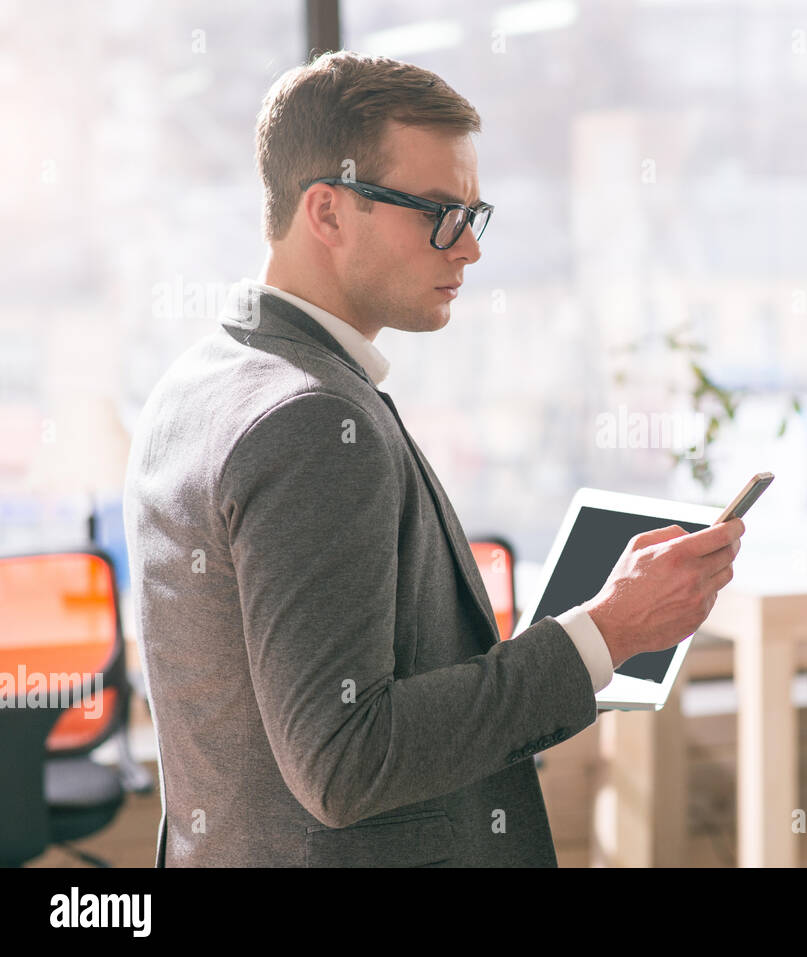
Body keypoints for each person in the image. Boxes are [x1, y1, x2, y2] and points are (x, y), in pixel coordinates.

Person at [121, 50, 744, 867]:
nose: (469, 250)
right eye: (439, 212)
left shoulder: (200, 379)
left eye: (473, 214)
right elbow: (345, 759)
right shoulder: (310, 419)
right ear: (328, 211)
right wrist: (605, 632)